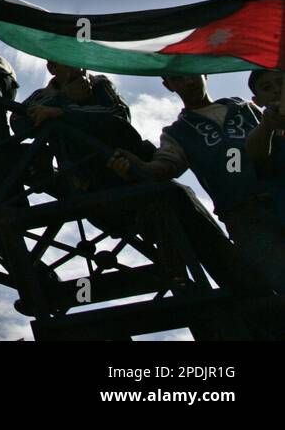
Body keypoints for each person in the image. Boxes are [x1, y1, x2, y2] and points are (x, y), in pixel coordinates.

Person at [108, 73, 285, 292]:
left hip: (279, 195)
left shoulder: (247, 108)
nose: (189, 81)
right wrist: (138, 167)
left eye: (193, 74)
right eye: (180, 78)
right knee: (278, 277)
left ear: (205, 74)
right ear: (168, 84)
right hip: (245, 215)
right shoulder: (178, 133)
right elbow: (165, 166)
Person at [17, 62, 150, 195]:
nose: (76, 68)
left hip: (118, 172)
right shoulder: (42, 96)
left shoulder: (99, 83)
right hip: (78, 181)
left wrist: (61, 112)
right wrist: (62, 98)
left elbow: (118, 115)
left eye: (78, 61)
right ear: (52, 68)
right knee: (18, 157)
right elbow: (18, 122)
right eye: (68, 62)